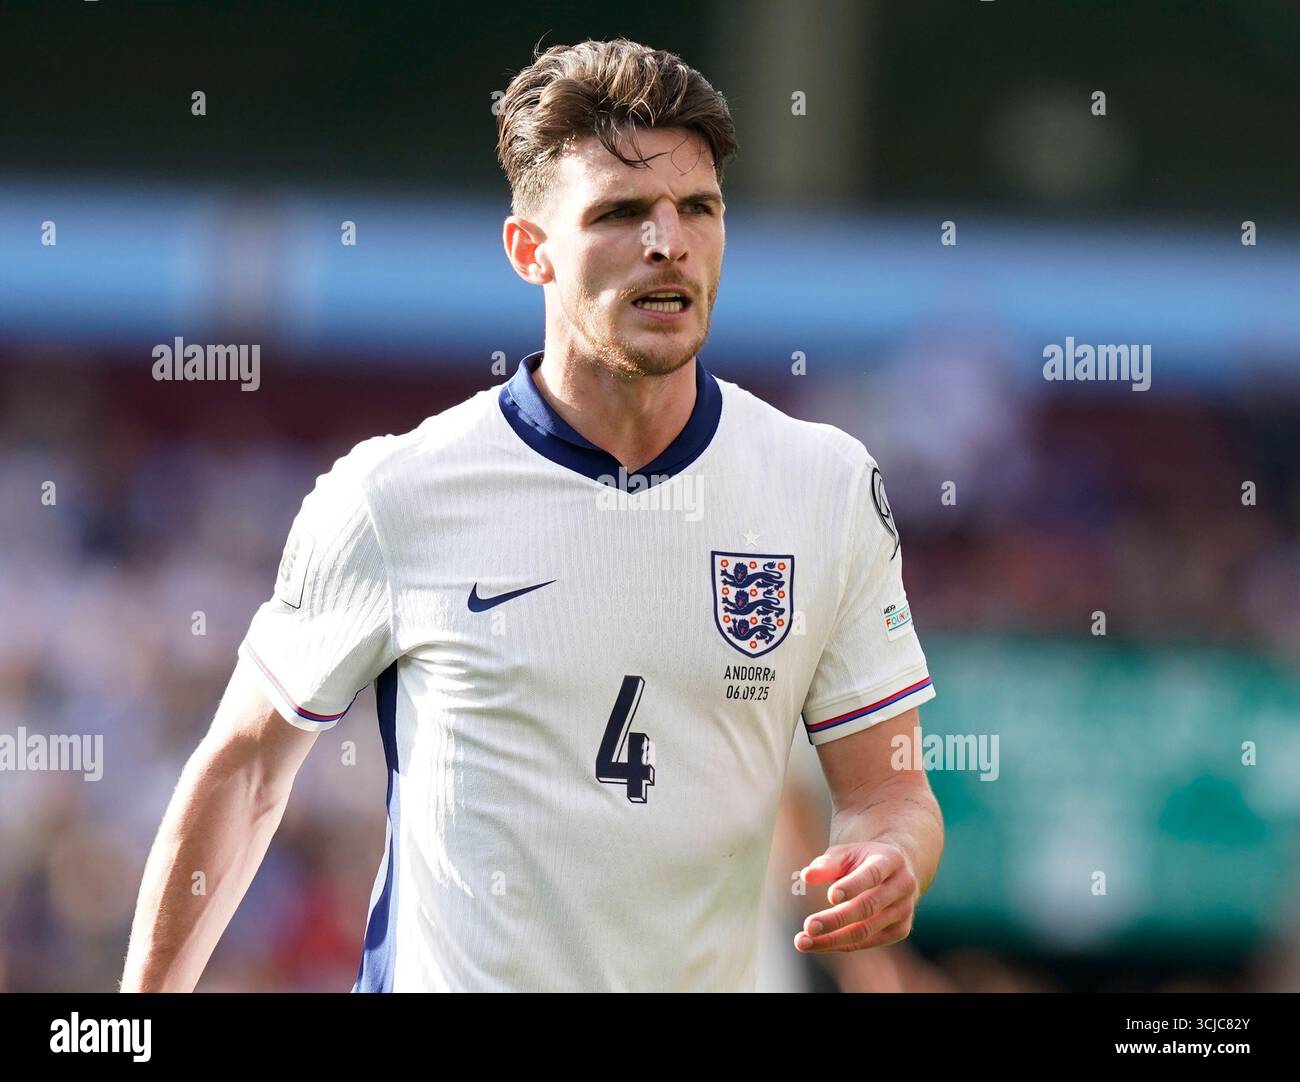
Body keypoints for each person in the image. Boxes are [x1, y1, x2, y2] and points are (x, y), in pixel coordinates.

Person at [121, 37, 942, 993]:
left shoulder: (825, 486)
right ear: (530, 251)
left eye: (698, 209)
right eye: (622, 213)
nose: (667, 241)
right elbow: (248, 771)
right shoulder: (396, 495)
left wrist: (891, 860)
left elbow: (890, 794)